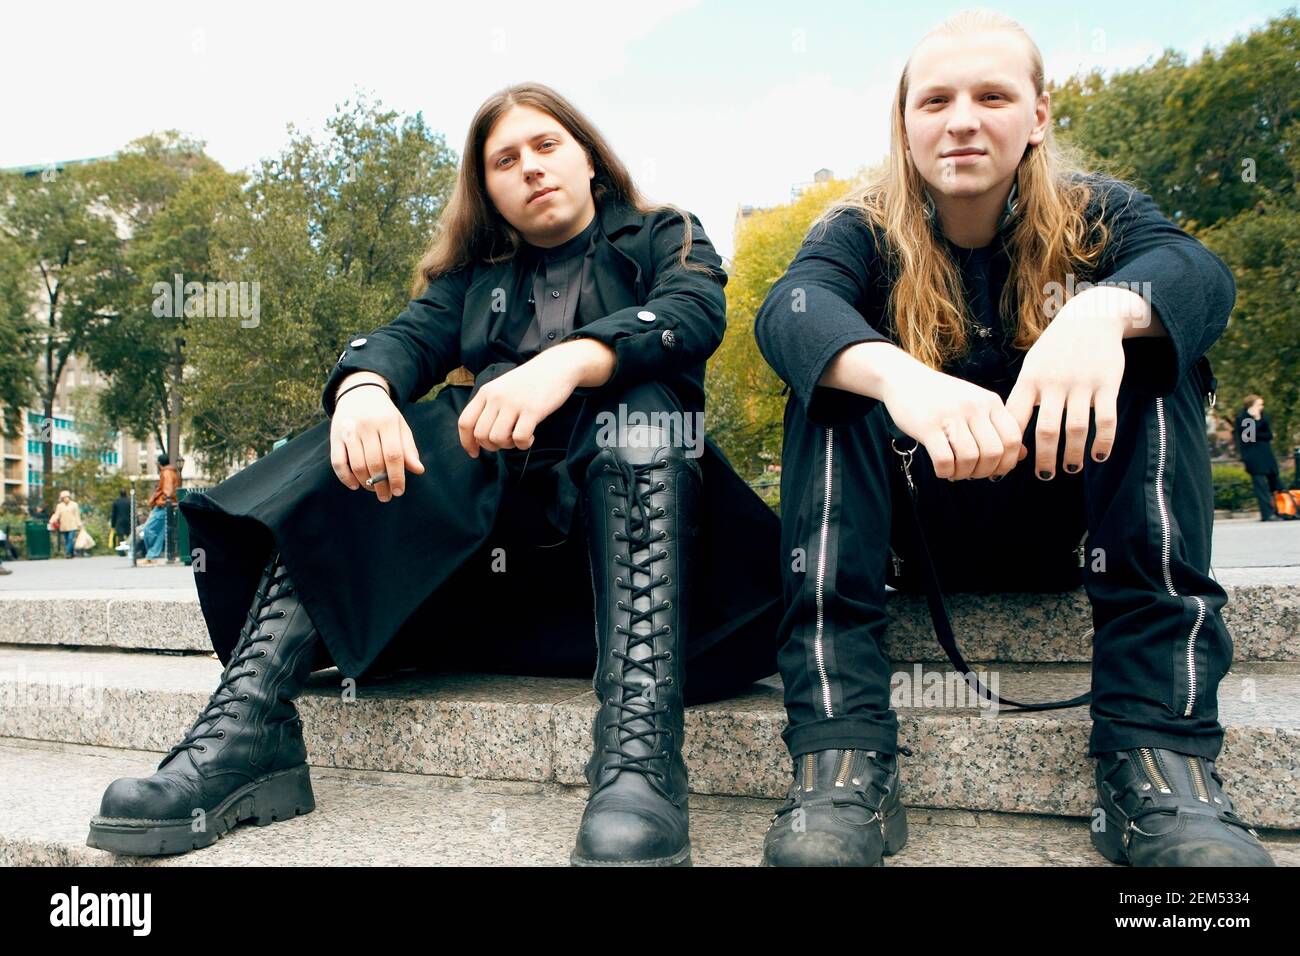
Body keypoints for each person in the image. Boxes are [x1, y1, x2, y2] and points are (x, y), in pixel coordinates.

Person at [87, 82, 783, 864]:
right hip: (500, 585)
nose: (530, 168)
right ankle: (250, 728)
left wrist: (565, 365)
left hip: (672, 590)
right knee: (411, 426)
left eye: (547, 146)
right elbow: (402, 340)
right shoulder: (474, 281)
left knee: (645, 411)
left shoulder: (663, 234)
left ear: (590, 158)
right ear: (486, 189)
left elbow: (694, 314)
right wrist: (361, 392)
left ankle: (639, 757)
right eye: (504, 159)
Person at [753, 10, 1273, 867]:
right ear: (906, 123)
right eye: (936, 100)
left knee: (1165, 349)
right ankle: (839, 759)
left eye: (992, 95)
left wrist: (1106, 311)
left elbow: (1198, 273)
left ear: (1037, 116)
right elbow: (789, 310)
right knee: (828, 378)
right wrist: (897, 375)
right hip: (909, 542)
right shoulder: (860, 229)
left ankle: (1157, 753)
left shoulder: (1098, 211)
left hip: (1068, 529)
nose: (962, 119)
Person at [1234, 394, 1291, 521]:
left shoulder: (1263, 417)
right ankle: (1267, 514)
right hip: (1254, 458)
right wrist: (1256, 420)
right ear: (1251, 405)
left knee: (1276, 484)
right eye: (1259, 404)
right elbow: (1249, 438)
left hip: (1266, 456)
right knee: (1261, 487)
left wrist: (1258, 421)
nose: (1261, 407)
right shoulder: (1244, 418)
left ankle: (1283, 510)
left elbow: (1269, 435)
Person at [139, 454, 182, 565]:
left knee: (148, 529)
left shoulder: (166, 473)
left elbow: (168, 490)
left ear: (159, 463)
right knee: (160, 533)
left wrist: (162, 500)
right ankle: (151, 556)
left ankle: (152, 554)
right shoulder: (171, 472)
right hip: (166, 505)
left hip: (163, 505)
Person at [52, 490, 83, 559]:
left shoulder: (74, 505)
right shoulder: (59, 506)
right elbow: (57, 514)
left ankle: (67, 553)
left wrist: (79, 524)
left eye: (67, 497)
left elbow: (77, 515)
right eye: (64, 497)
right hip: (64, 526)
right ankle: (72, 554)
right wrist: (53, 520)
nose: (66, 499)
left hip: (73, 525)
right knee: (67, 540)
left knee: (70, 539)